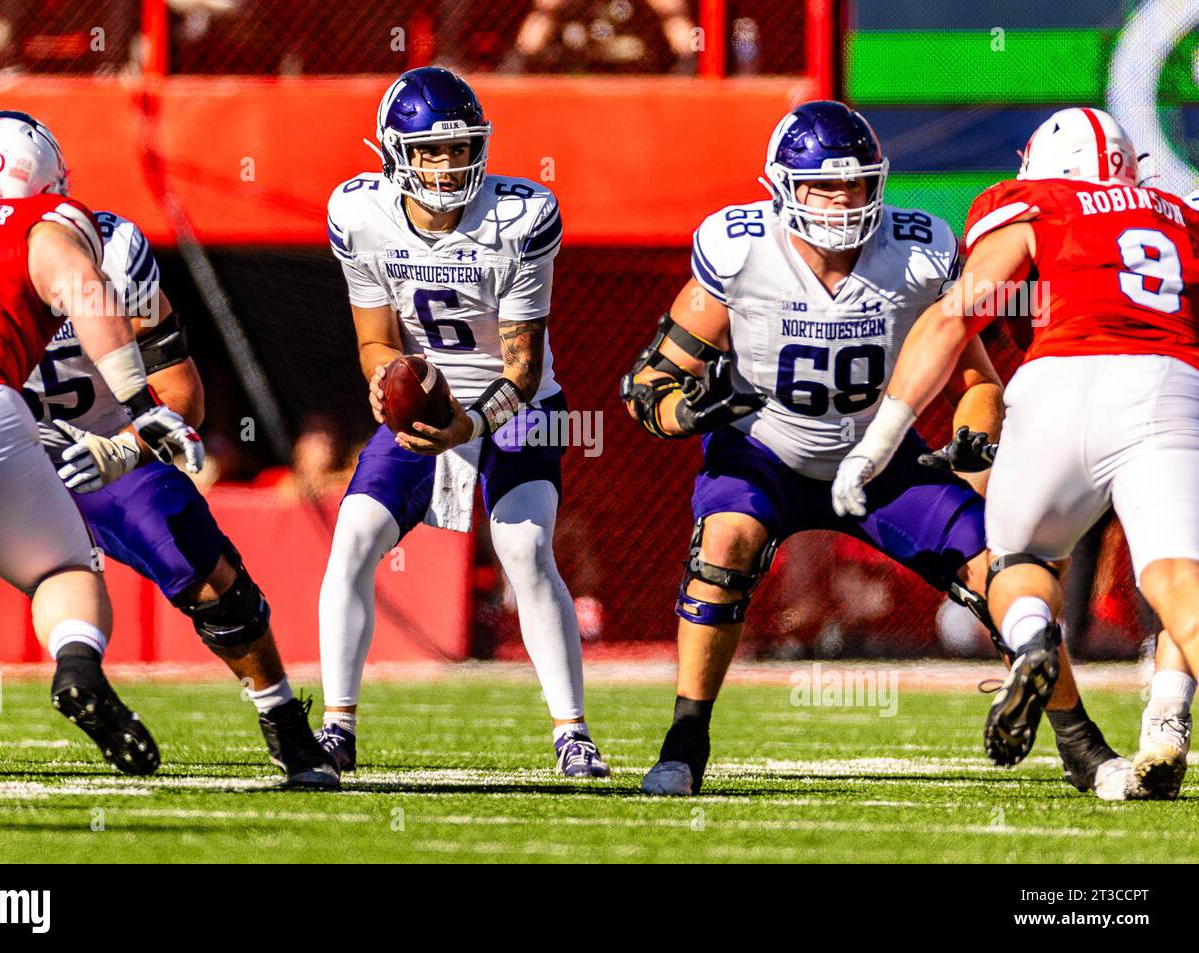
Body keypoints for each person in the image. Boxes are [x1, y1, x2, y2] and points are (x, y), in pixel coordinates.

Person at [624, 100, 1130, 798]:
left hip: (881, 462)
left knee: (1000, 570)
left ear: (878, 183)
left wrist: (974, 433)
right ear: (782, 186)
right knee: (726, 541)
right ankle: (685, 743)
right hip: (764, 453)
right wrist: (686, 410)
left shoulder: (917, 255)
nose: (839, 201)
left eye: (854, 184)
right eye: (821, 187)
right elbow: (648, 386)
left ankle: (1082, 743)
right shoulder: (743, 251)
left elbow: (976, 380)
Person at [832, 106, 1199, 800]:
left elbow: (955, 314)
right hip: (1169, 382)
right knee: (1179, 578)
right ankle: (1168, 713)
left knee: (1020, 560)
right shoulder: (1177, 212)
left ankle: (1030, 639)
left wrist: (875, 446)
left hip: (1061, 379)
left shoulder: (1035, 201)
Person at [317, 67, 609, 779]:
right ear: (394, 153)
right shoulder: (361, 214)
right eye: (430, 150)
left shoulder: (520, 218)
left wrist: (464, 427)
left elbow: (522, 373)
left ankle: (572, 733)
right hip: (430, 396)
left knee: (524, 547)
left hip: (519, 408)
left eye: (460, 147)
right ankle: (335, 729)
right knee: (353, 537)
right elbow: (375, 341)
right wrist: (390, 387)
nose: (448, 165)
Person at [0, 110, 204, 773]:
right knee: (64, 569)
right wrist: (138, 405)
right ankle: (76, 663)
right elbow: (82, 288)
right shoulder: (40, 223)